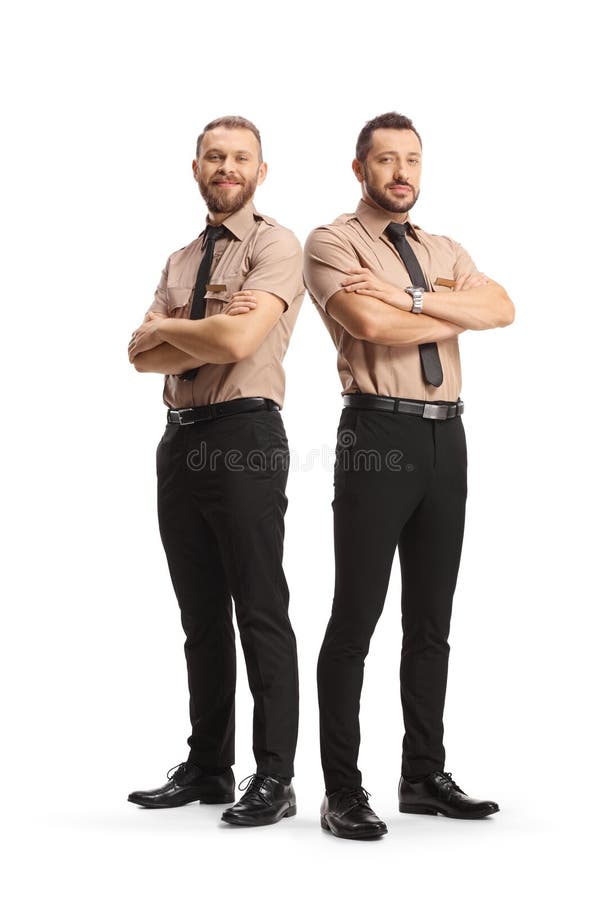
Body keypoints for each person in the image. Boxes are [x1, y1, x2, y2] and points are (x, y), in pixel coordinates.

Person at [303, 111, 514, 840]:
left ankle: (423, 774)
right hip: (377, 431)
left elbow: (503, 308)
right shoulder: (333, 241)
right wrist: (441, 312)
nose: (402, 173)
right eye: (386, 160)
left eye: (412, 160)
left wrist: (413, 296)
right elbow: (372, 328)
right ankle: (342, 790)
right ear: (360, 169)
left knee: (432, 620)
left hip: (446, 436)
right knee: (356, 618)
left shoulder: (443, 247)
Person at [127, 115, 303, 827]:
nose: (226, 167)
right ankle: (208, 767)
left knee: (260, 609)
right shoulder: (178, 260)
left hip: (244, 434)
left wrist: (170, 328)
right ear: (196, 168)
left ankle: (276, 777)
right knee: (200, 615)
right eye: (214, 156)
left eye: (240, 158)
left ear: (261, 171)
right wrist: (179, 334)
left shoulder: (275, 245)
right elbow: (139, 357)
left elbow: (236, 337)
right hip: (179, 440)